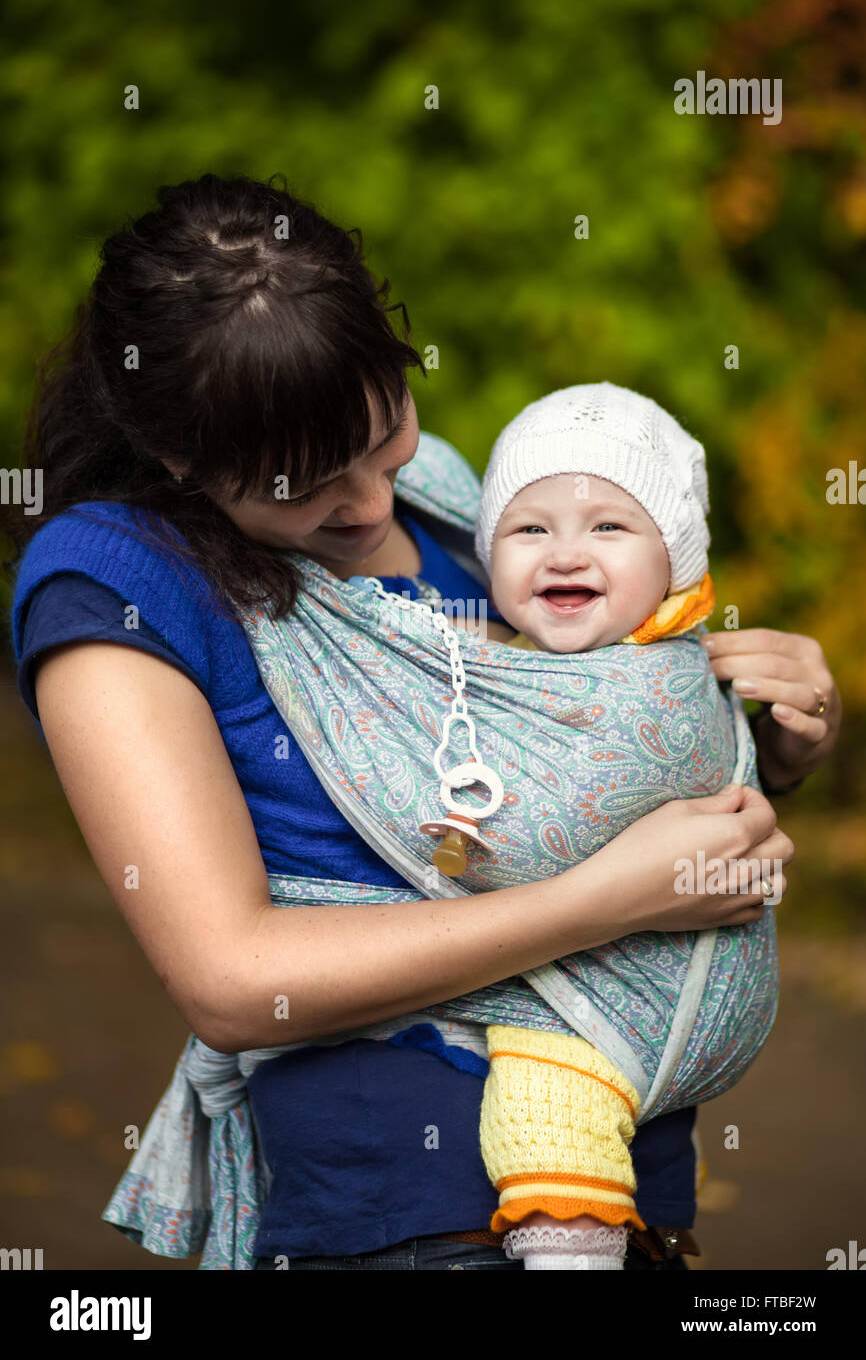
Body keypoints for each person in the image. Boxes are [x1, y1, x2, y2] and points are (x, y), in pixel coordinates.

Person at [1, 174, 839, 1271]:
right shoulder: (115, 582)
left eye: (379, 434)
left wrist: (764, 749)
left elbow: (563, 771)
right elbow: (234, 976)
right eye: (305, 485)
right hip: (412, 1217)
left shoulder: (448, 493)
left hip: (627, 1178)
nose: (366, 504)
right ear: (181, 459)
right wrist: (606, 899)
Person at [437, 380, 773, 1270]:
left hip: (627, 992)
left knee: (542, 1114)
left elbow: (574, 809)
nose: (564, 552)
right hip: (611, 963)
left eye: (607, 527)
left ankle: (570, 1253)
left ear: (676, 560)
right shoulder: (502, 667)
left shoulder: (658, 675)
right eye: (530, 528)